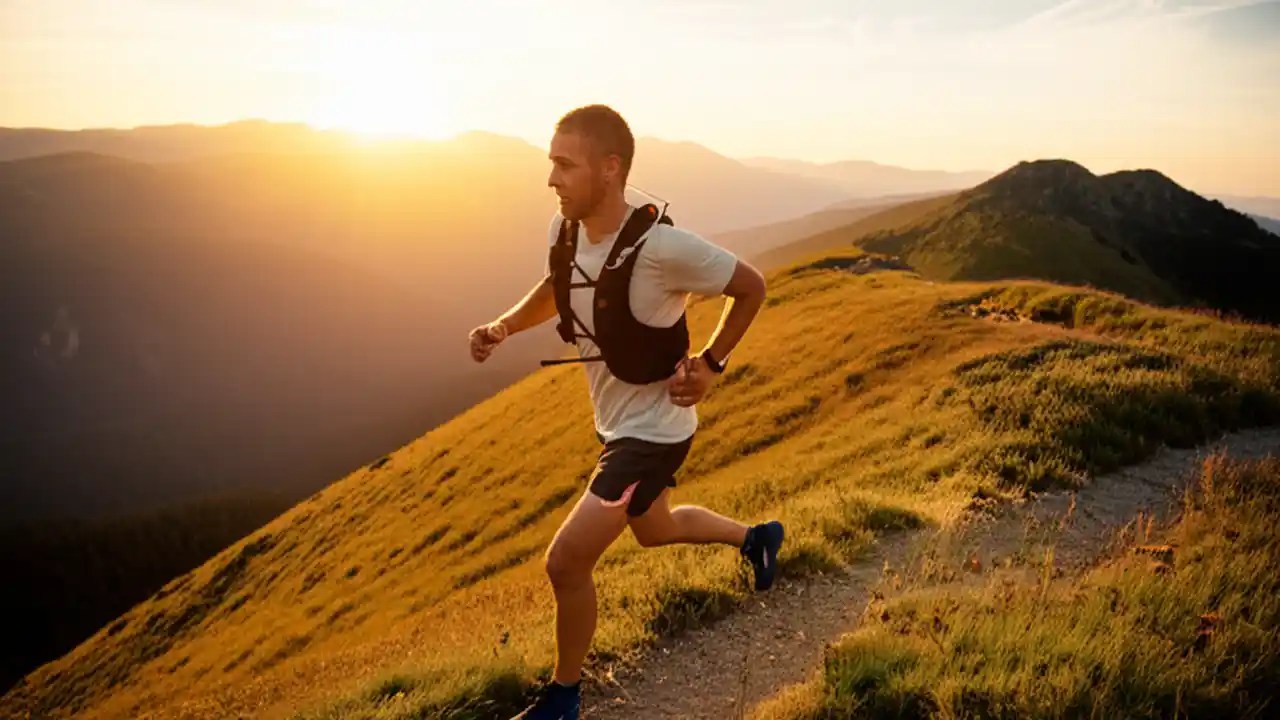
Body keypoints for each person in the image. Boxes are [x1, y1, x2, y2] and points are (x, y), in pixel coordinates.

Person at [468, 104, 784, 720]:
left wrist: (713, 366)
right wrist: (504, 326)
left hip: (655, 432)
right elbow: (557, 286)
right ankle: (757, 539)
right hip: (617, 425)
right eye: (550, 163)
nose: (551, 179)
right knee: (655, 528)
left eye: (565, 164)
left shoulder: (663, 248)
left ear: (610, 169)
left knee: (566, 562)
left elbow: (752, 286)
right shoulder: (567, 232)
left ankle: (563, 700)